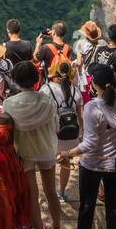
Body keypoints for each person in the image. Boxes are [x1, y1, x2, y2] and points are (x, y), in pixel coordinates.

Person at [58, 63, 116, 229]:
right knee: (114, 209)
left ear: (94, 85)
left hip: (91, 165)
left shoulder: (92, 107)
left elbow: (90, 143)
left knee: (86, 206)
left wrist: (68, 153)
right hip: (115, 165)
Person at [1, 61, 63, 229]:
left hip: (25, 151)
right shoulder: (47, 101)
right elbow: (56, 126)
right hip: (46, 149)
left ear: (16, 81)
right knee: (51, 191)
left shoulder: (9, 104)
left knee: (32, 194)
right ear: (36, 80)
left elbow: (6, 131)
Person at [44, 59, 83, 203]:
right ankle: (61, 192)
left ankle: (52, 192)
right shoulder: (75, 90)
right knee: (65, 162)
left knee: (51, 163)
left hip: (53, 133)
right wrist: (81, 135)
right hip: (70, 136)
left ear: (54, 72)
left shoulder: (46, 89)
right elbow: (80, 115)